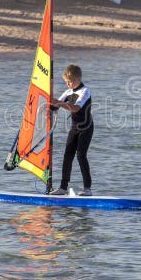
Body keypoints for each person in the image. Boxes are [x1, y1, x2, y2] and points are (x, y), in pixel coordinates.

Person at [49, 64, 93, 196]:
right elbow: (56, 106)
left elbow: (76, 108)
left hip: (86, 128)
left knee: (81, 156)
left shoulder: (85, 91)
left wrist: (58, 103)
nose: (68, 84)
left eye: (70, 82)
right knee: (67, 155)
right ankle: (63, 187)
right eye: (66, 82)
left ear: (78, 79)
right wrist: (49, 102)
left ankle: (87, 189)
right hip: (74, 128)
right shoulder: (68, 92)